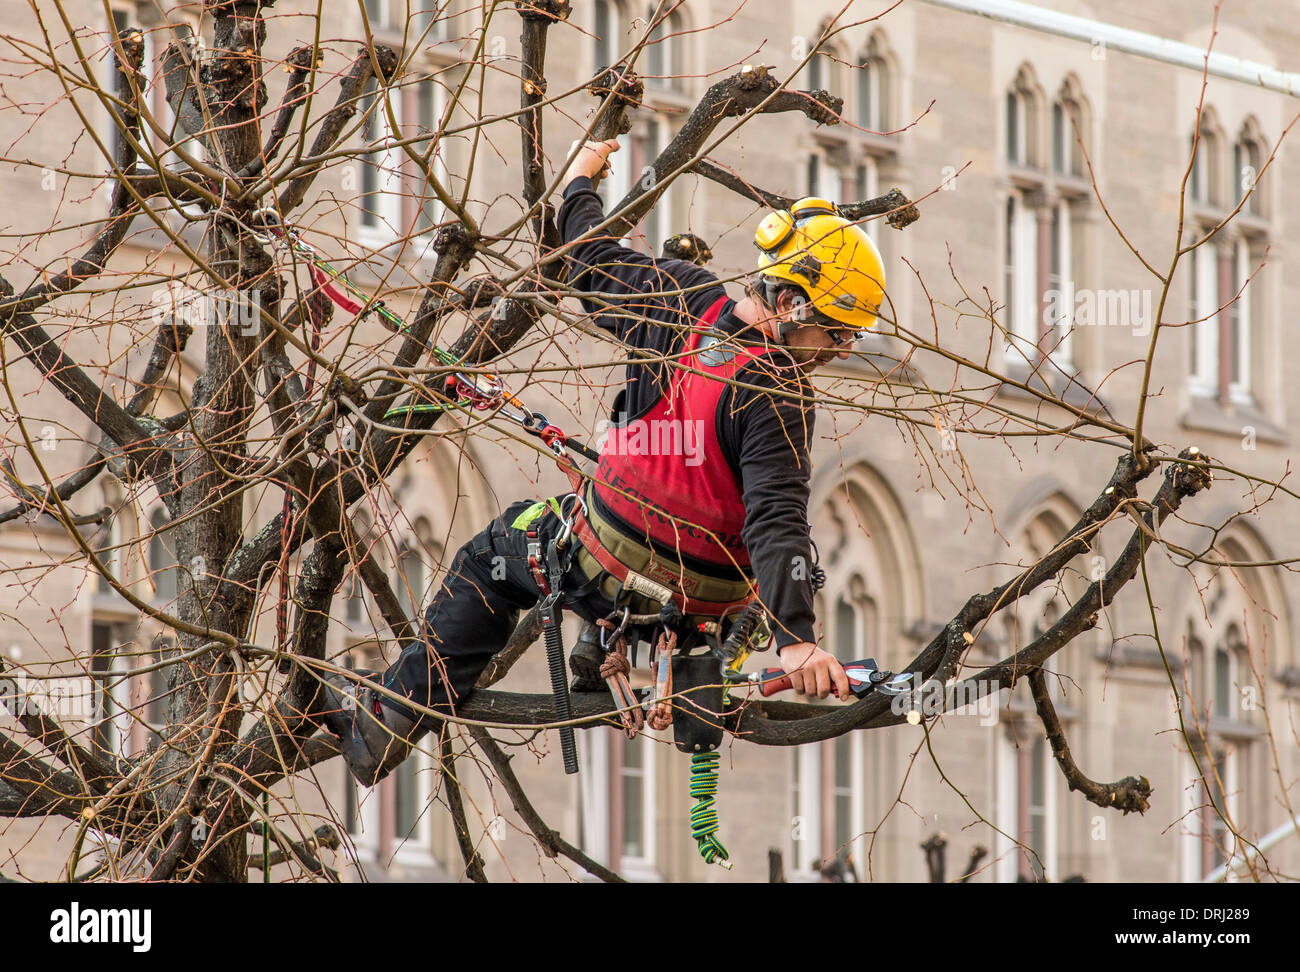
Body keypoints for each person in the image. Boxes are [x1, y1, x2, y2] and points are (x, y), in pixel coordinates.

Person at [323, 138, 887, 785]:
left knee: (494, 556)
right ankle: (653, 660)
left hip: (600, 566)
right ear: (792, 305)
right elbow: (776, 520)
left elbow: (587, 258)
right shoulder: (778, 390)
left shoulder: (678, 297)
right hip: (705, 607)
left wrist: (582, 179)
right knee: (756, 566)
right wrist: (795, 637)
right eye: (838, 332)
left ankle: (388, 718)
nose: (842, 349)